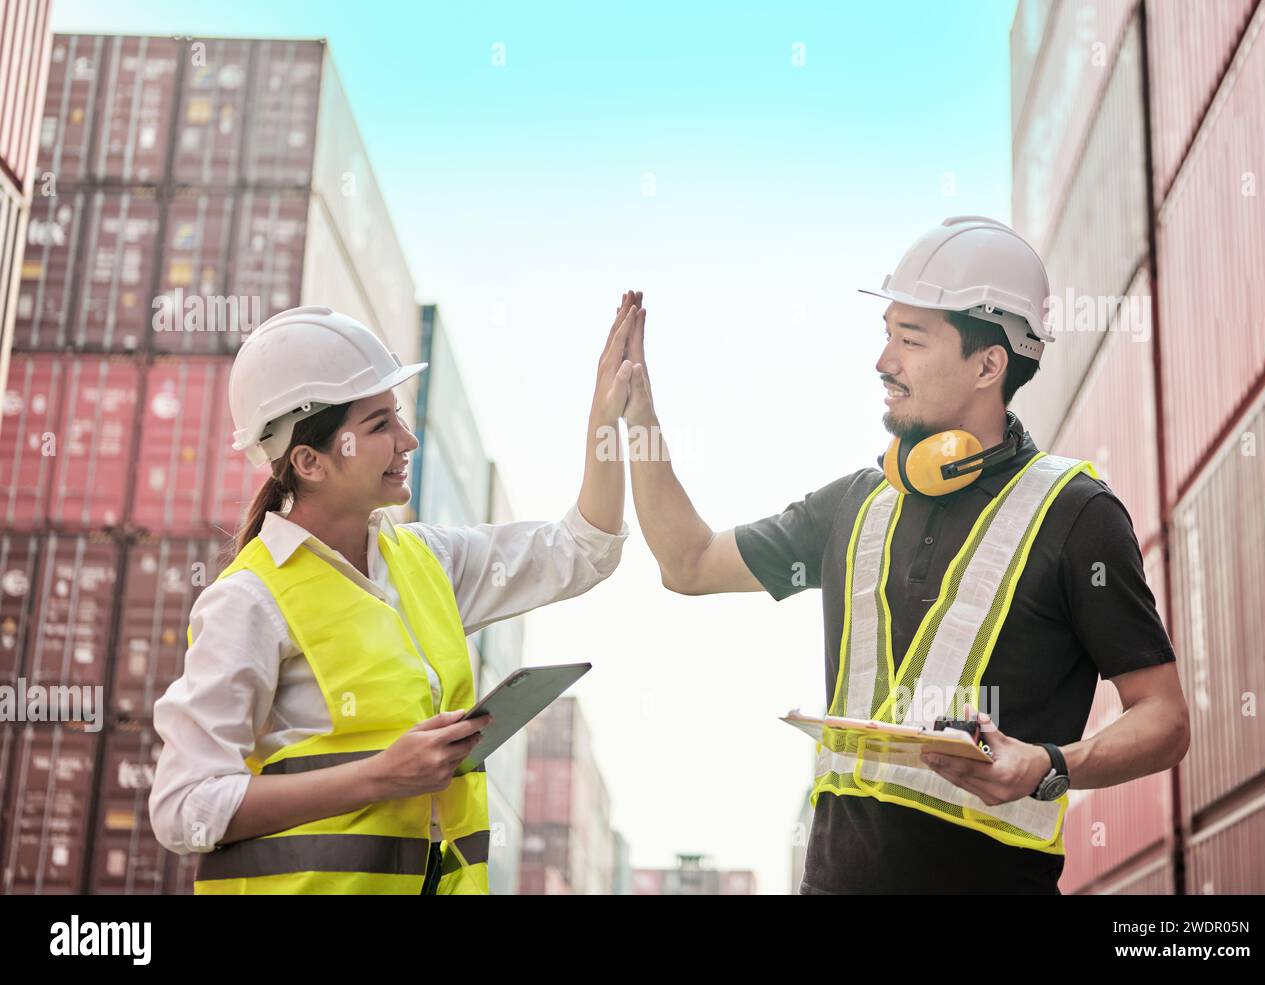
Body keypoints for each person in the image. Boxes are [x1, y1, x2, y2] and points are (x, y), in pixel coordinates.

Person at [622, 217, 1190, 894]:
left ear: (989, 364)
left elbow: (1164, 718)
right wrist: (638, 420)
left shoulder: (1077, 515)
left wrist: (1047, 764)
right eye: (887, 333)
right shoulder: (856, 502)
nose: (883, 362)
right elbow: (687, 563)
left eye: (910, 340)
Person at [149, 293, 644, 894]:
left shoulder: (426, 560)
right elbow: (183, 807)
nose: (408, 441)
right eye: (380, 425)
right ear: (309, 460)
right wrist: (380, 776)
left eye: (398, 417)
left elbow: (585, 549)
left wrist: (605, 417)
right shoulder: (249, 601)